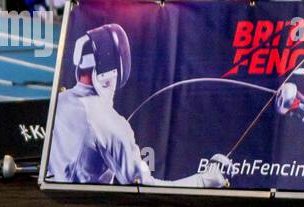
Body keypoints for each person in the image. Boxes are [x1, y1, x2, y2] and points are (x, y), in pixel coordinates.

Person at [44, 23, 230, 188]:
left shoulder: (58, 101)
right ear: (109, 76)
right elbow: (145, 189)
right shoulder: (110, 124)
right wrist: (204, 180)